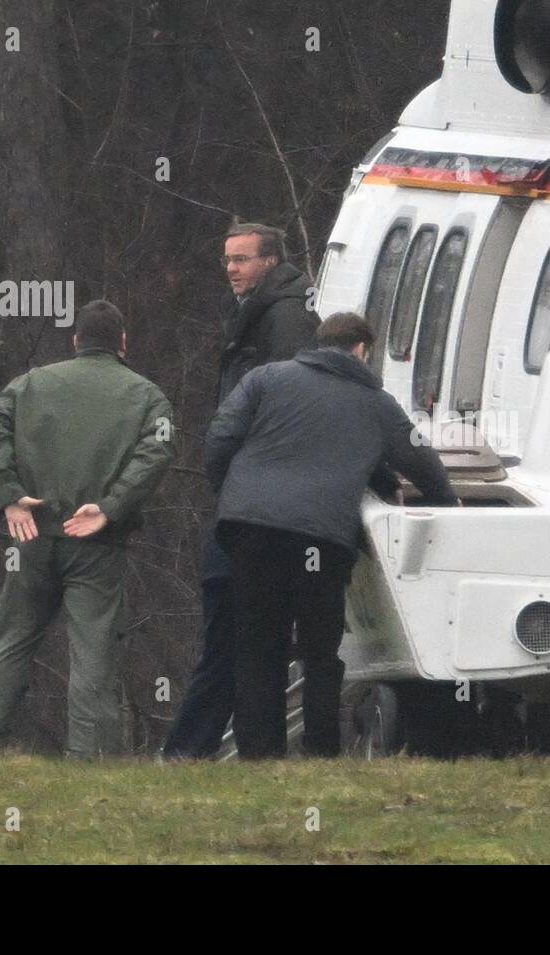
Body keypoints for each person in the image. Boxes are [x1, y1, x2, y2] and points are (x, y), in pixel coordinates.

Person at [205, 312, 458, 758]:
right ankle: (320, 751)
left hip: (250, 531)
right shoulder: (376, 403)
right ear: (362, 349)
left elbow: (221, 439)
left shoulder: (265, 379)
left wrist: (231, 495)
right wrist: (444, 500)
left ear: (320, 344)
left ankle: (260, 756)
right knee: (320, 650)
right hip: (319, 541)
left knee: (258, 645)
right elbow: (425, 463)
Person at [0, 300, 175, 757]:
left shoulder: (30, 384)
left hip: (32, 535)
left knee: (13, 642)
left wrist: (10, 496)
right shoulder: (147, 396)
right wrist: (109, 507)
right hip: (98, 543)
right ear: (123, 343)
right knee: (93, 653)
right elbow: (157, 452)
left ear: (76, 340)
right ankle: (87, 759)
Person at [162, 221, 318, 759]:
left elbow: (277, 406)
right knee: (242, 635)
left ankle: (189, 751)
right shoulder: (261, 312)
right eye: (226, 259)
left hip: (258, 498)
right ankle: (208, 749)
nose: (230, 269)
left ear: (271, 262)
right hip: (256, 494)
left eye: (242, 259)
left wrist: (234, 471)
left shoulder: (285, 318)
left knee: (235, 631)